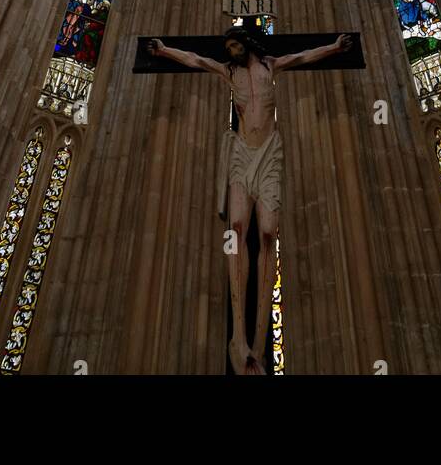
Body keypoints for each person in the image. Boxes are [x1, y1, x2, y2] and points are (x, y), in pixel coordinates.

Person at [149, 28, 352, 375]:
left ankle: (259, 341)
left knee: (270, 233)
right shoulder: (228, 72)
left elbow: (303, 56)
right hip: (242, 154)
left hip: (270, 153)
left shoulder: (271, 65)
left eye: (235, 44)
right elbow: (196, 59)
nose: (231, 50)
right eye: (227, 47)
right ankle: (238, 337)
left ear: (247, 44)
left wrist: (334, 48)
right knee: (237, 230)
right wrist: (166, 50)